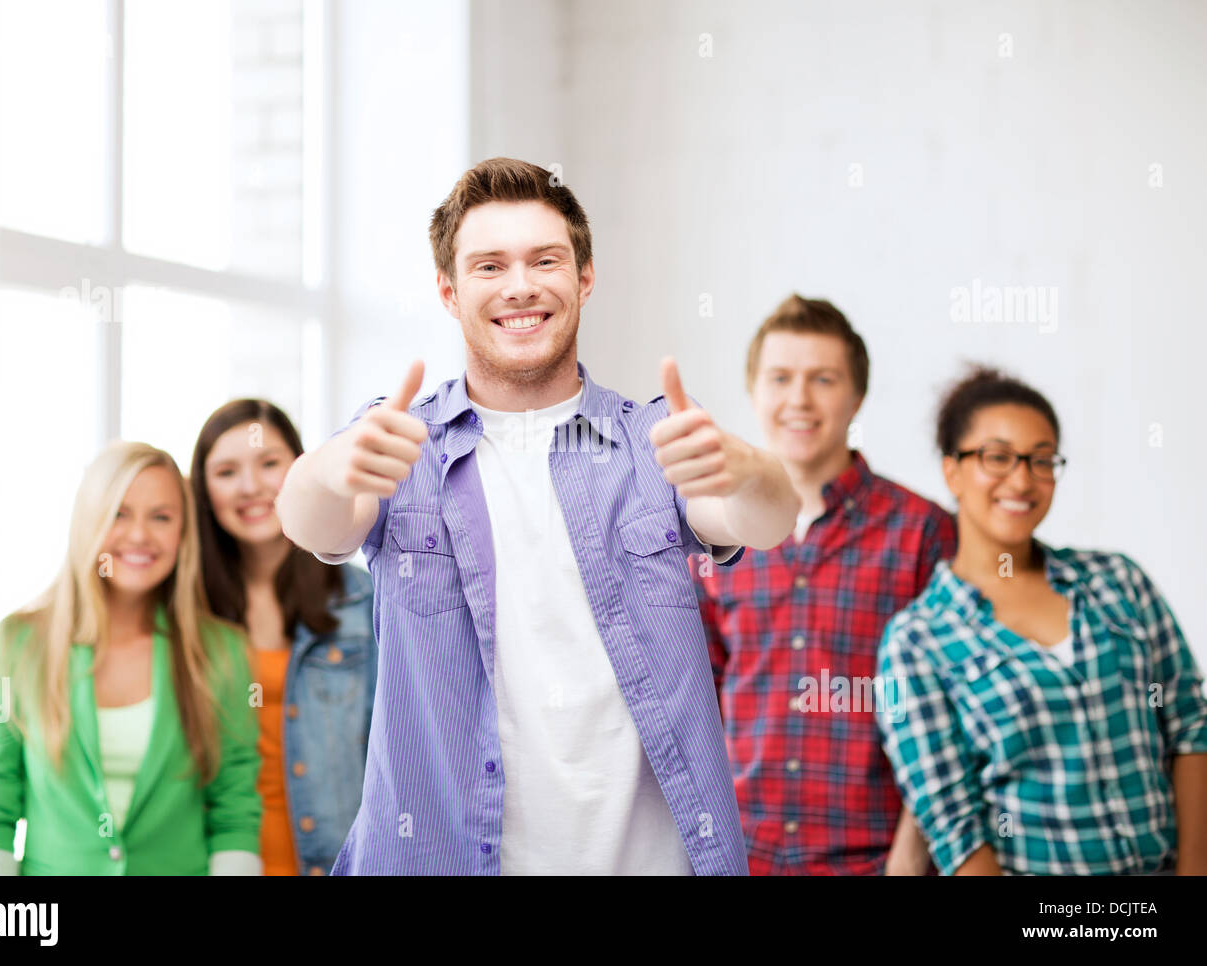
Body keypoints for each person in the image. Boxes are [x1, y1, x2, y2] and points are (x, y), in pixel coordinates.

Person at [275, 157, 802, 875]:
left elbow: (767, 519)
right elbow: (312, 522)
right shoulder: (402, 446)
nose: (520, 285)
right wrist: (329, 468)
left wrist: (752, 469)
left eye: (544, 260)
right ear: (448, 291)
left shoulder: (654, 443)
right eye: (488, 266)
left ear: (584, 278)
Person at [876, 366, 1207, 875]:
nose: (1023, 479)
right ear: (952, 470)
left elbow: (1190, 726)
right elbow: (954, 827)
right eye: (997, 456)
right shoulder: (916, 642)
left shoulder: (1119, 582)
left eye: (1041, 459)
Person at [692, 294, 956, 874]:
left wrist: (908, 859)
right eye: (780, 377)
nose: (799, 400)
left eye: (823, 379)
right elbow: (698, 704)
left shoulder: (923, 533)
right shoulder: (715, 533)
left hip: (873, 859)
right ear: (753, 389)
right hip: (742, 856)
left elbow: (952, 710)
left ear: (856, 395)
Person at [0, 441, 261, 875]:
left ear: (182, 533)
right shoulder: (16, 644)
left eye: (161, 517)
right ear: (88, 521)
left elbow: (234, 808)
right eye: (119, 513)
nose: (140, 534)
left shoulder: (221, 651)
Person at [192, 399, 376, 876]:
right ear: (203, 491)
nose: (251, 487)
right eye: (227, 471)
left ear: (301, 470)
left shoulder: (360, 599)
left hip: (337, 861)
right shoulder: (187, 610)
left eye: (269, 463)